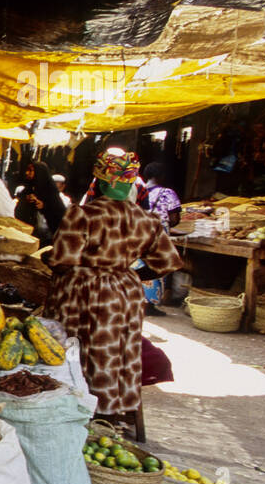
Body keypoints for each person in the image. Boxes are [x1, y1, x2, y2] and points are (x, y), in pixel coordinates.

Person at [46, 149, 183, 428]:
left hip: (81, 291)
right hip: (125, 293)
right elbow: (167, 263)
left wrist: (73, 265)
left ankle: (77, 403)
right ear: (130, 184)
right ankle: (112, 405)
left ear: (101, 182)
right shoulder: (146, 220)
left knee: (78, 348)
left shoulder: (82, 215)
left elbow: (61, 261)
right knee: (118, 349)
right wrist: (126, 272)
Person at [14, 160, 67, 243]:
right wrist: (26, 201)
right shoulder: (27, 189)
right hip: (29, 236)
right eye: (27, 170)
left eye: (31, 170)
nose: (27, 173)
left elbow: (59, 214)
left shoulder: (50, 191)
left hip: (48, 237)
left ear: (39, 173)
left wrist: (44, 206)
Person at [143, 162, 182, 230]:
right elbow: (174, 219)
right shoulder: (167, 193)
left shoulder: (137, 191)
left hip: (140, 232)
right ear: (162, 176)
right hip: (159, 233)